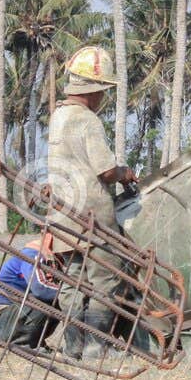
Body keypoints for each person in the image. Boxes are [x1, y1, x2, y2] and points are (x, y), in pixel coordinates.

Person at [45, 45, 138, 359]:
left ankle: (73, 347)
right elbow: (107, 170)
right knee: (104, 279)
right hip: (92, 216)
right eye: (104, 92)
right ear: (95, 91)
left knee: (72, 282)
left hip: (62, 215)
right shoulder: (88, 121)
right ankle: (96, 347)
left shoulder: (58, 116)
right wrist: (126, 174)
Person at [0, 238, 58, 348]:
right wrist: (67, 294)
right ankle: (23, 344)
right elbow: (40, 289)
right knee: (49, 298)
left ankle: (33, 342)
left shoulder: (50, 258)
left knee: (57, 298)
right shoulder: (32, 254)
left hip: (8, 318)